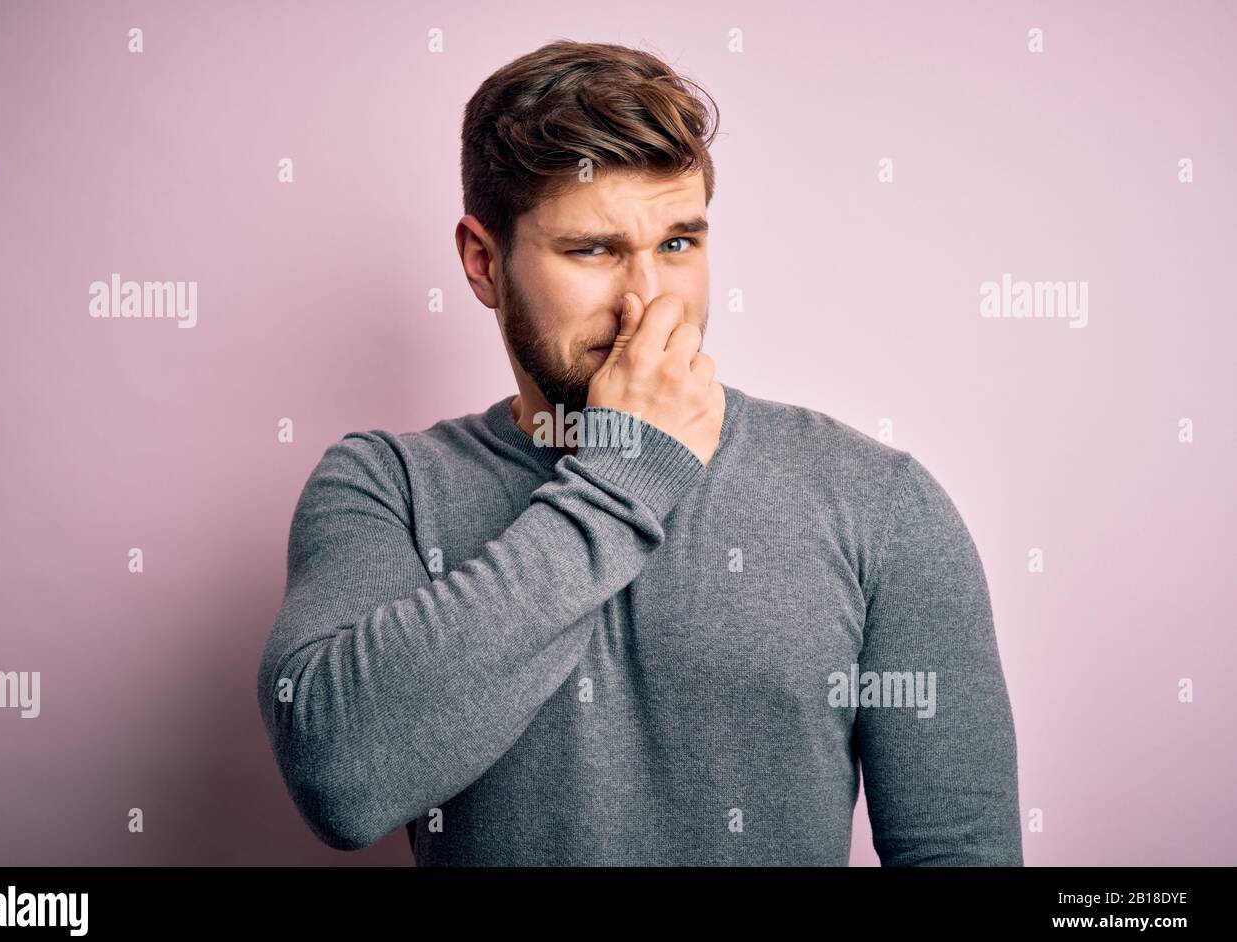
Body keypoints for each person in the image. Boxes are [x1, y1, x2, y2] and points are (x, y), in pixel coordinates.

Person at [256, 39, 1023, 866]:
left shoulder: (876, 501)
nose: (647, 301)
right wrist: (625, 471)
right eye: (592, 250)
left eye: (678, 244)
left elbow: (961, 854)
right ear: (483, 263)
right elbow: (338, 777)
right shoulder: (386, 489)